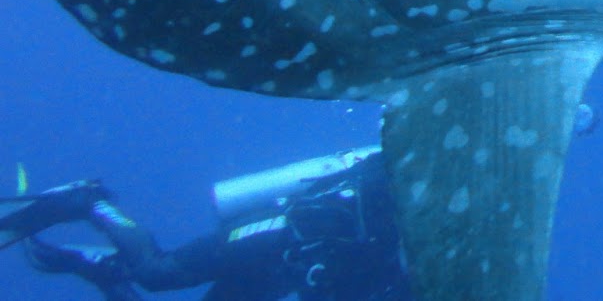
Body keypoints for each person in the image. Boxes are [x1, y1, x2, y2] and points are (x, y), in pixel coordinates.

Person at [0, 149, 410, 300]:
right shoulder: (411, 177)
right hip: (281, 234)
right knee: (158, 273)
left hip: (295, 273)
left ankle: (106, 270)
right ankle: (89, 200)